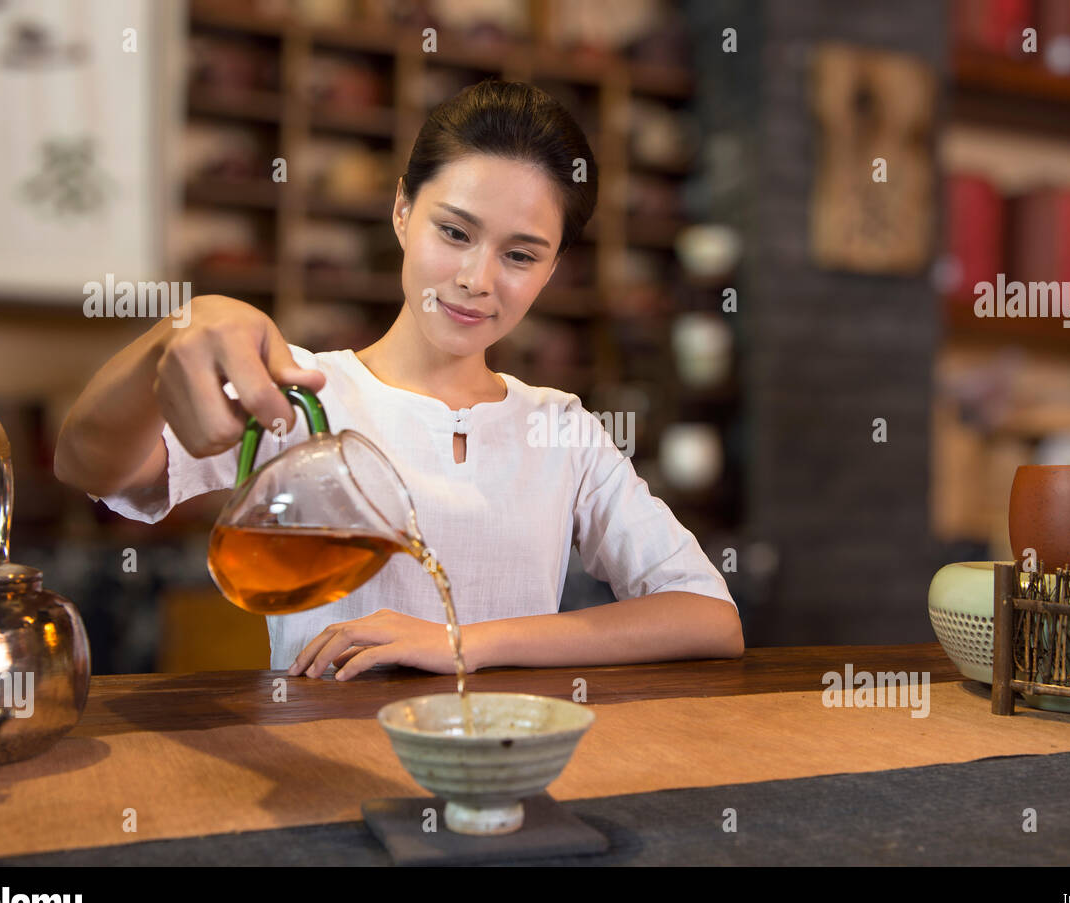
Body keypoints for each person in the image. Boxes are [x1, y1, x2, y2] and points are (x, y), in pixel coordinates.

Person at [54, 79, 743, 680]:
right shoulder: (300, 393)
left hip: (500, 763)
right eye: (455, 233)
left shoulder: (561, 428)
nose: (477, 279)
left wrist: (463, 643)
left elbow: (709, 615)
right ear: (403, 212)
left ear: (552, 270)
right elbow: (89, 466)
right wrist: (171, 335)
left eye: (521, 255)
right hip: (323, 760)